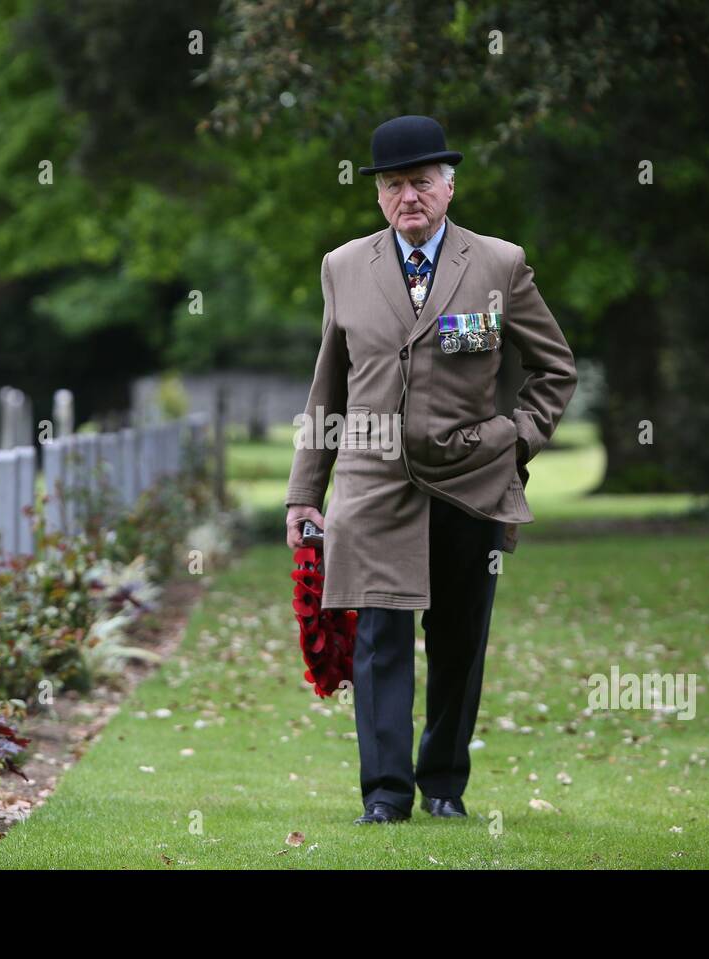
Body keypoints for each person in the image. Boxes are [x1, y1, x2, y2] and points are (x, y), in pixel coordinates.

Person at [285, 115, 579, 825]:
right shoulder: (344, 267)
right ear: (379, 195)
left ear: (448, 186)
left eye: (421, 182)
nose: (408, 197)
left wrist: (517, 441)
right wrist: (304, 491)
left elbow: (554, 367)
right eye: (393, 185)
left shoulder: (499, 265)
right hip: (372, 483)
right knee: (380, 639)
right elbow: (327, 388)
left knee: (457, 638)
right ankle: (385, 794)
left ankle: (443, 782)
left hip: (470, 480)